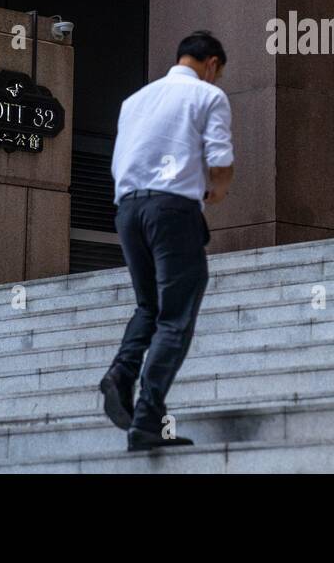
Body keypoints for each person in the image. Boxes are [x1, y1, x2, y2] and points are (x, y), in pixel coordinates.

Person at [99, 31, 234, 451]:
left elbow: (124, 159)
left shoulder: (135, 100)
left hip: (128, 210)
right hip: (172, 210)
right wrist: (218, 190)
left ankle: (120, 374)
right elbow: (221, 159)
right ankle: (147, 417)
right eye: (218, 74)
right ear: (211, 63)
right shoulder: (208, 97)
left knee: (149, 305)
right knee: (176, 315)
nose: (216, 81)